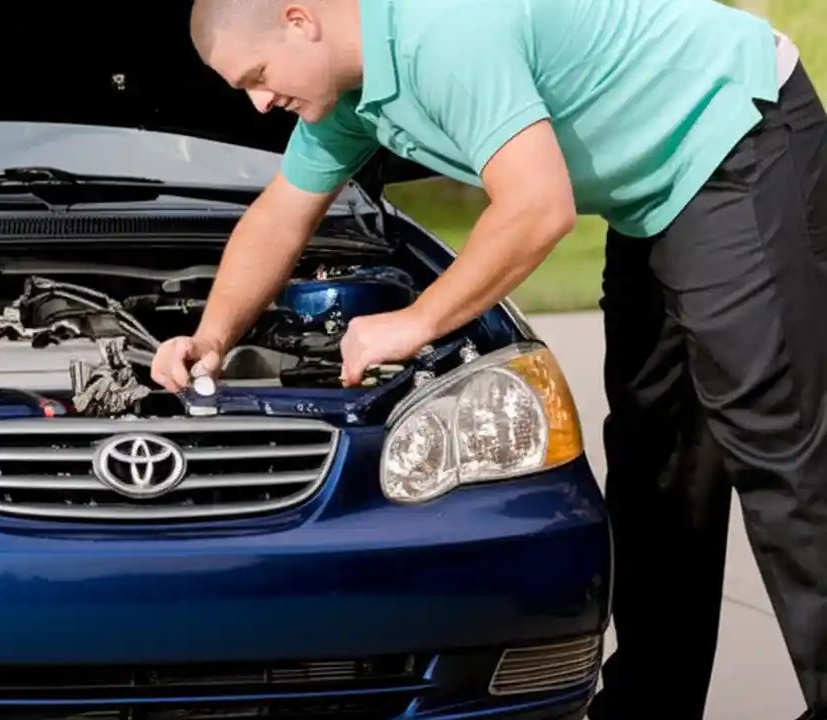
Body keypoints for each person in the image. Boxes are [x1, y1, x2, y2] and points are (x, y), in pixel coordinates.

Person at [149, 0, 826, 717]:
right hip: (655, 191)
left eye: (257, 76)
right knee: (655, 457)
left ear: (299, 20)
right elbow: (280, 214)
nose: (259, 104)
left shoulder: (440, 34)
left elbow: (537, 210)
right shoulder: (348, 98)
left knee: (779, 446)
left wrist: (413, 322)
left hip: (736, 131)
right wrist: (211, 338)